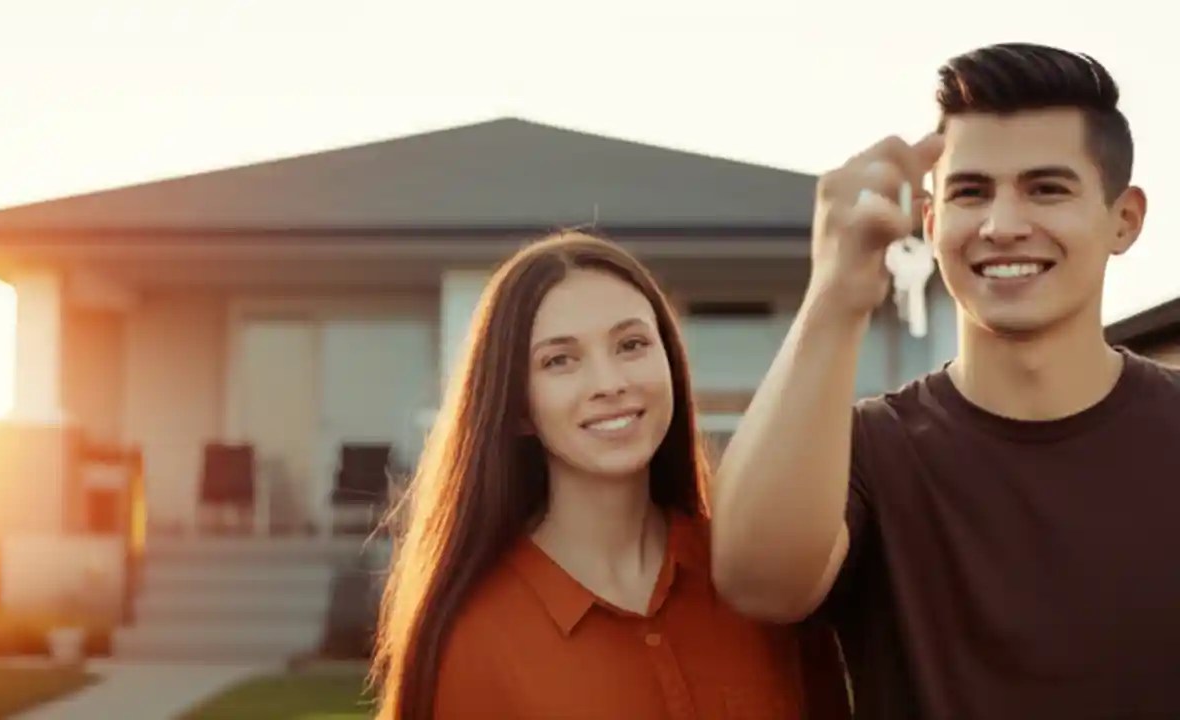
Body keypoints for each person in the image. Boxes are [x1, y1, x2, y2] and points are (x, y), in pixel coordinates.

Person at [709, 41, 1180, 719]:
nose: (1003, 225)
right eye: (970, 192)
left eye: (1046, 188)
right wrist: (838, 289)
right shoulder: (870, 450)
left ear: (1124, 219)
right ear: (931, 223)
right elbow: (757, 584)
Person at [370, 231, 850, 719]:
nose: (610, 384)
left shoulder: (754, 580)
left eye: (631, 344)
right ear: (516, 408)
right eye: (560, 360)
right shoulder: (472, 637)